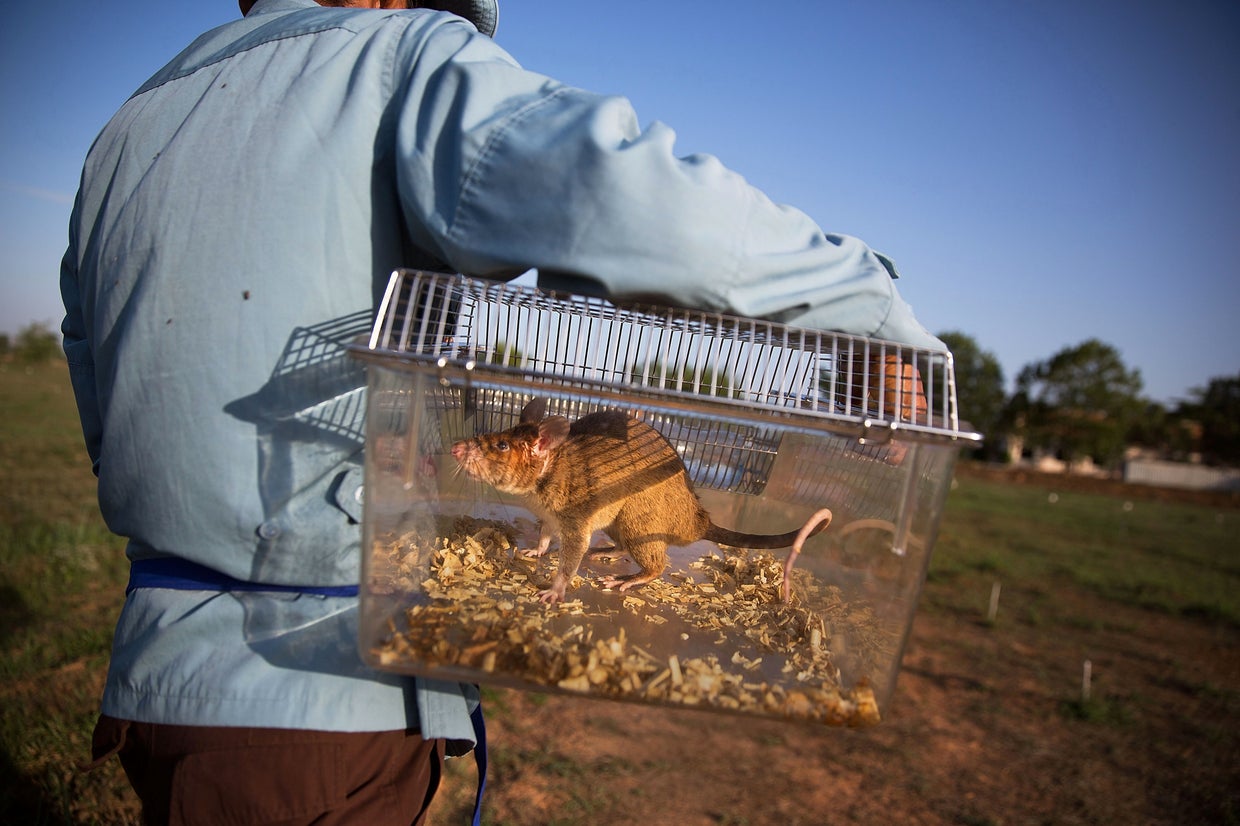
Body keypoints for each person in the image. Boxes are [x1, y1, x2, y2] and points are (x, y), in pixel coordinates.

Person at [61, 1, 943, 823]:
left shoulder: (126, 127)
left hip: (158, 684)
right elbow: (619, 191)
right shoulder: (397, 58)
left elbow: (100, 390)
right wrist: (863, 308)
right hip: (319, 701)